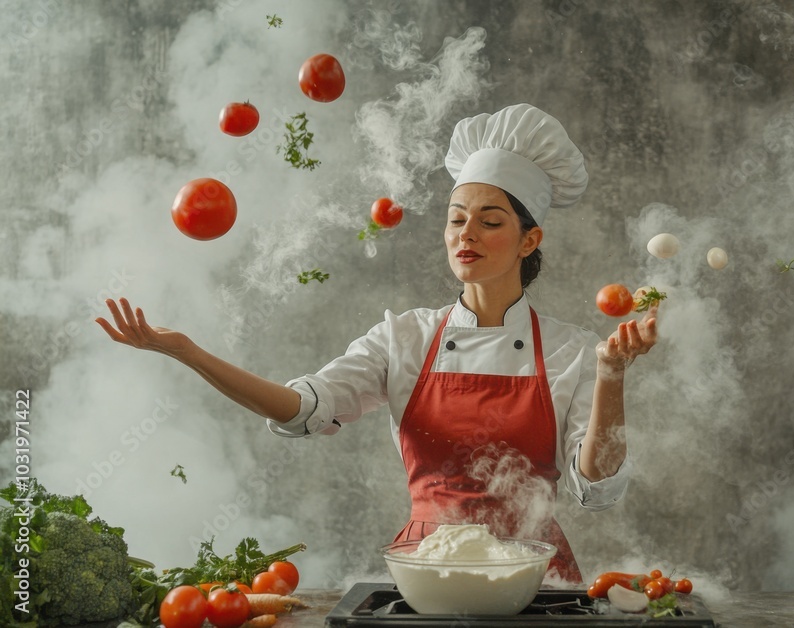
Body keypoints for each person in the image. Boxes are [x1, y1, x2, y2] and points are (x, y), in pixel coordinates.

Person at [96, 103, 658, 584]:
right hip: (429, 569)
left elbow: (598, 486)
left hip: (537, 576)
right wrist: (188, 352)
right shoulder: (404, 337)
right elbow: (303, 409)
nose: (466, 233)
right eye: (456, 218)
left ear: (528, 239)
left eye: (490, 221)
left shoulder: (573, 350)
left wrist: (611, 374)